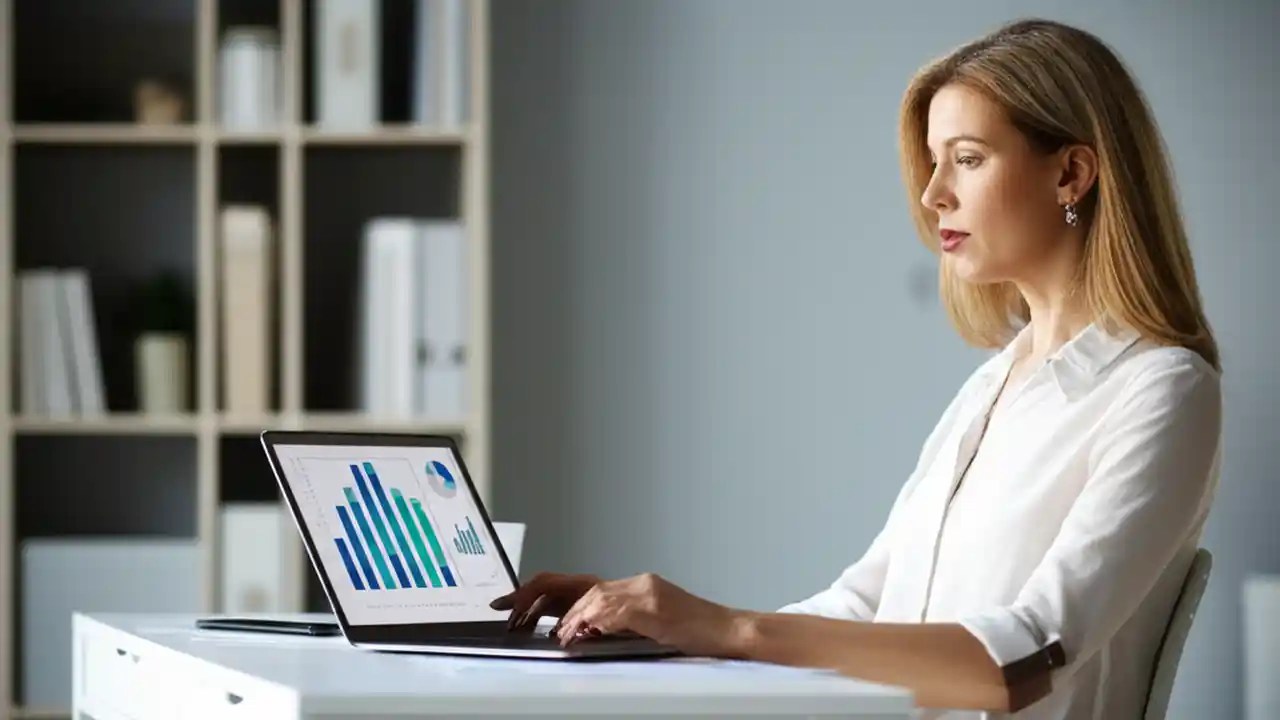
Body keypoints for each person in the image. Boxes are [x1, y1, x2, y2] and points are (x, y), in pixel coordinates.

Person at [489, 17, 1222, 718]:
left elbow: (1024, 658)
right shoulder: (994, 385)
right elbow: (863, 606)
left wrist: (727, 628)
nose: (933, 194)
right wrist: (659, 629)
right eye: (933, 162)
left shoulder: (1161, 391)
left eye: (968, 159)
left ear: (1071, 174)